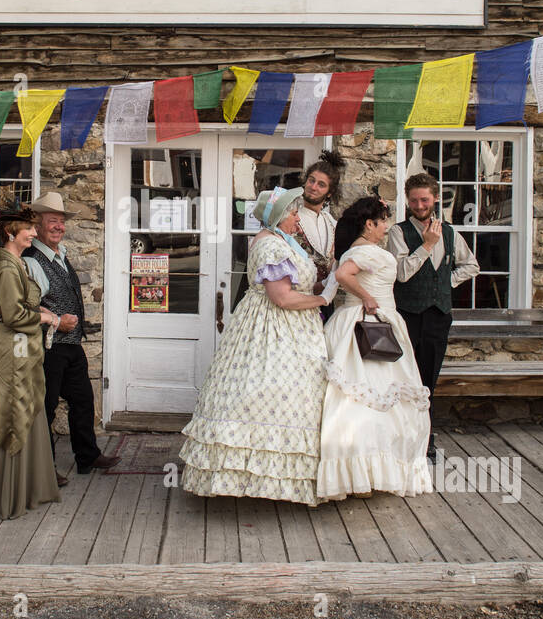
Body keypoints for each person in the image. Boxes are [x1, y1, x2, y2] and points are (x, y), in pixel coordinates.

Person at [179, 187, 327, 505]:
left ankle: (271, 479)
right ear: (276, 217)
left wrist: (325, 283)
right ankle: (251, 478)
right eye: (291, 212)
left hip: (291, 329)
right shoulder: (271, 245)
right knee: (266, 392)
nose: (296, 216)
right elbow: (282, 297)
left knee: (280, 396)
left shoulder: (283, 241)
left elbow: (292, 285)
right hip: (273, 330)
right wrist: (324, 298)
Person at [318, 197, 433, 502]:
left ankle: (362, 474)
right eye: (383, 222)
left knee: (362, 399)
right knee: (371, 399)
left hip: (358, 322)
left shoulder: (356, 248)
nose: (386, 228)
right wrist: (367, 296)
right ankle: (368, 473)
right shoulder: (366, 251)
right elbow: (344, 276)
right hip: (369, 323)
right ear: (369, 224)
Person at [0, 205, 62, 519]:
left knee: (27, 407)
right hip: (12, 348)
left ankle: (26, 487)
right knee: (14, 411)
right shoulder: (9, 269)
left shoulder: (17, 265)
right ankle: (9, 494)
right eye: (29, 229)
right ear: (12, 232)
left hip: (22, 347)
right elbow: (13, 315)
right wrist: (46, 316)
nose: (34, 233)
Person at [23, 192, 119, 477]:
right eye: (53, 221)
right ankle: (44, 469)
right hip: (48, 344)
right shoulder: (32, 260)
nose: (59, 227)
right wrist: (56, 321)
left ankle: (87, 456)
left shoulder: (60, 255)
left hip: (70, 343)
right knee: (47, 406)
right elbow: (29, 304)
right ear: (38, 225)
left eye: (61, 222)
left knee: (82, 400)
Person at [386, 172, 480, 460]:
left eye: (424, 199)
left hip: (438, 316)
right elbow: (401, 274)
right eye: (413, 200)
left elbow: (472, 266)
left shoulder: (450, 232)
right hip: (409, 315)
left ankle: (426, 438)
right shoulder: (398, 232)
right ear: (407, 200)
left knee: (429, 379)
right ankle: (403, 437)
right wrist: (426, 245)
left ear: (435, 197)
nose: (419, 205)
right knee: (405, 379)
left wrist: (445, 282)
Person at [292, 150, 344, 317]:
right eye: (311, 180)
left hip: (325, 302)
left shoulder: (331, 222)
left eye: (321, 184)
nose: (313, 187)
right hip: (296, 300)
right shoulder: (291, 218)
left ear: (329, 193)